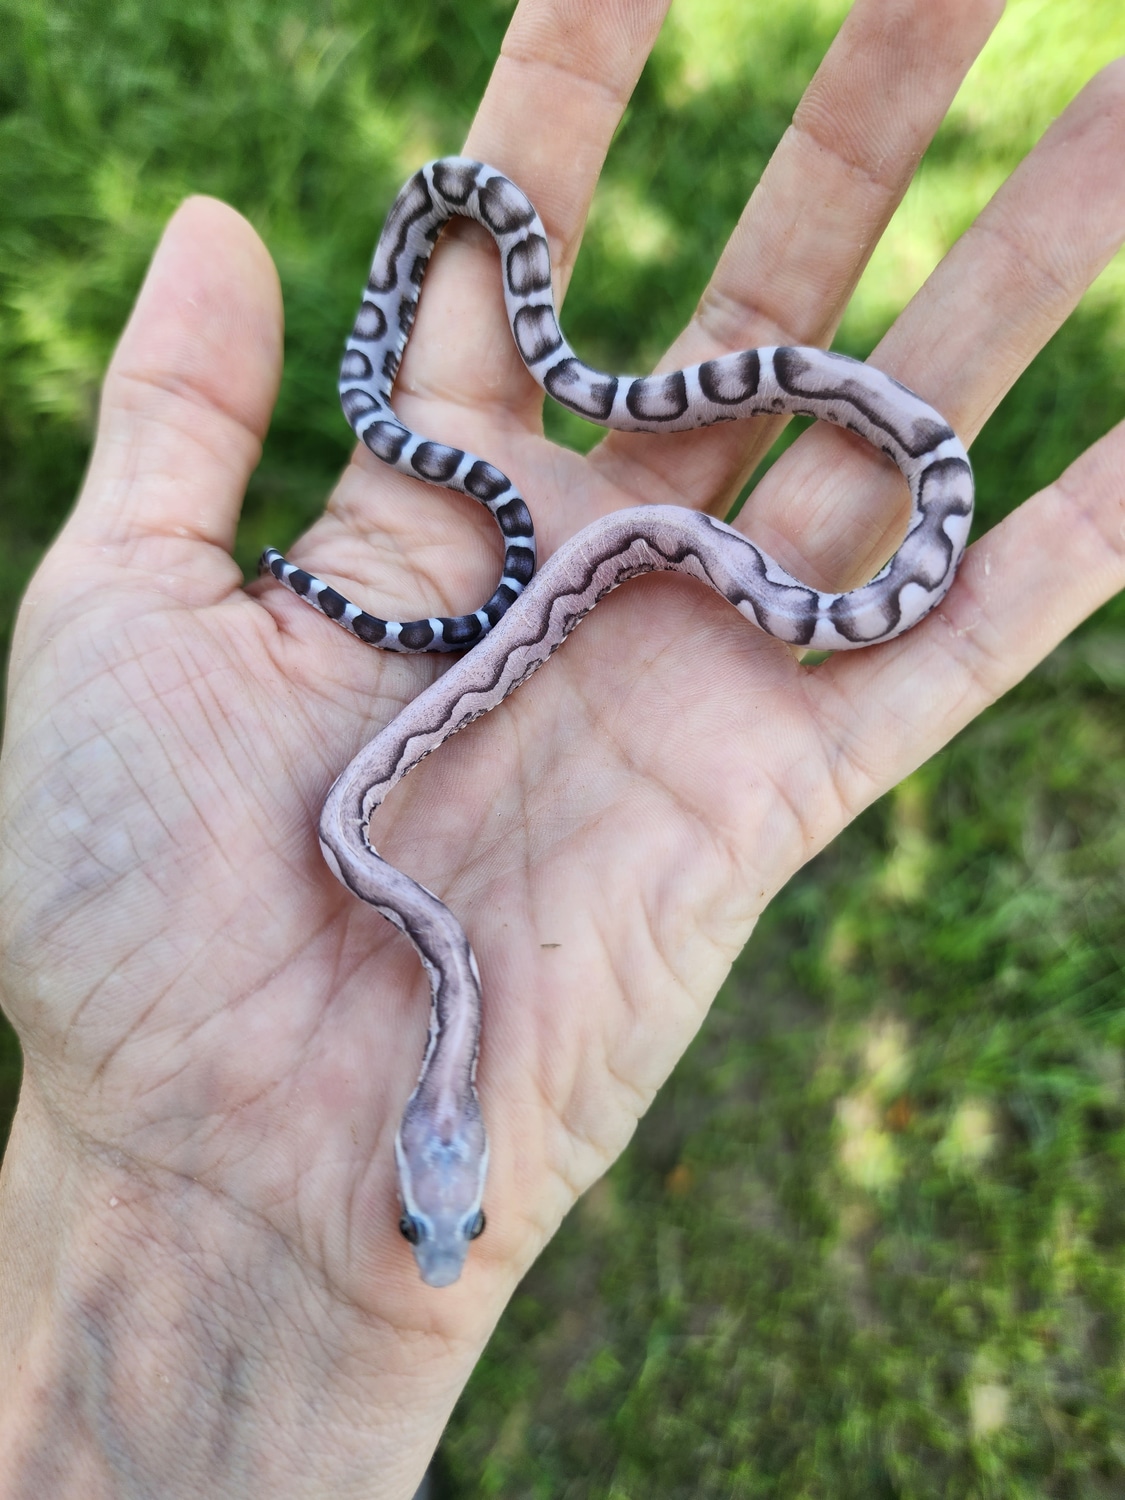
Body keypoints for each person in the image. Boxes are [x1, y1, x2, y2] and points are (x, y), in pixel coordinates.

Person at [1, 0, 1123, 1493]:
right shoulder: (395, 910)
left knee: (590, 518)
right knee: (545, 535)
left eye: (429, 1219)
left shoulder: (391, 888)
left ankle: (530, 339)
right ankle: (470, 274)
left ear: (427, 1138)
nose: (431, 1246)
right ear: (434, 1132)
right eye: (442, 1219)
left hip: (665, 517)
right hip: (604, 518)